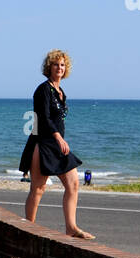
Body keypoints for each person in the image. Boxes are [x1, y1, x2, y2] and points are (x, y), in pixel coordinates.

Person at [19, 49, 93, 239]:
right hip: (43, 143)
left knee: (74, 183)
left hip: (57, 145)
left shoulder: (60, 92)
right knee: (38, 189)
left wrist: (59, 139)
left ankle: (71, 227)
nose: (59, 68)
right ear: (49, 67)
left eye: (62, 65)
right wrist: (58, 137)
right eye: (55, 64)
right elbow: (42, 118)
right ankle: (29, 229)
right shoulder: (43, 89)